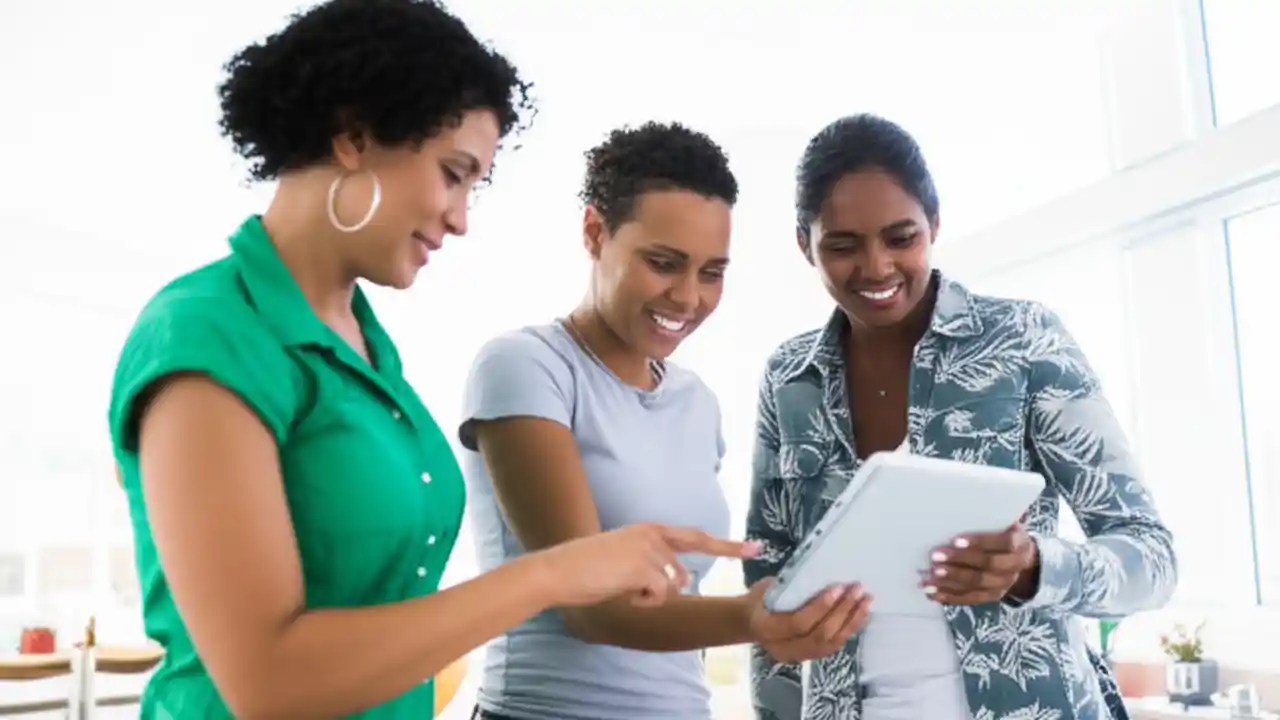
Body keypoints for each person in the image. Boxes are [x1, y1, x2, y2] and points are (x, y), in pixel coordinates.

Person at [106, 3, 757, 718]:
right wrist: (553, 573)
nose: (461, 216)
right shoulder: (208, 333)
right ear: (354, 137)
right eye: (454, 174)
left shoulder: (367, 349)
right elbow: (269, 682)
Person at [743, 114, 1178, 720]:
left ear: (934, 225)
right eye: (842, 246)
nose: (875, 268)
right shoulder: (790, 377)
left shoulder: (1023, 340)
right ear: (803, 244)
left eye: (901, 238)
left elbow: (1152, 559)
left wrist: (1035, 567)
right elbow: (766, 585)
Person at [458, 122, 873, 720]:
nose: (687, 297)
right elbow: (587, 605)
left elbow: (682, 601)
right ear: (595, 232)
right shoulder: (525, 367)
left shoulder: (695, 402)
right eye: (663, 263)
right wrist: (750, 618)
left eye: (712, 272)